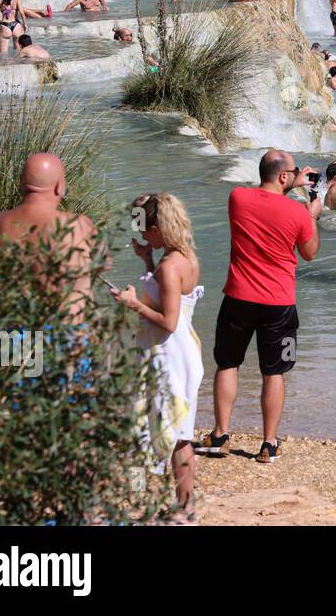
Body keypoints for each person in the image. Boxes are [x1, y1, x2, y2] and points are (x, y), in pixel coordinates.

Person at [200, 150, 322, 464]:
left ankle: (219, 435)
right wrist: (311, 215)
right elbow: (309, 253)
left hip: (238, 297)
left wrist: (289, 181)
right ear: (284, 177)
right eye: (293, 172)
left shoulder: (238, 198)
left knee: (228, 364)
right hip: (279, 304)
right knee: (274, 372)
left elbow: (267, 196)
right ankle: (268, 443)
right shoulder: (297, 213)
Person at [108, 192, 203, 517]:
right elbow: (168, 301)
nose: (141, 235)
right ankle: (184, 508)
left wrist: (132, 303)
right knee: (180, 433)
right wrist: (147, 260)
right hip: (183, 351)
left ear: (158, 227)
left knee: (173, 435)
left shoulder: (169, 266)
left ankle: (177, 509)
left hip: (169, 356)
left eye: (144, 230)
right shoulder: (185, 256)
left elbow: (168, 321)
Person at [0, 153, 98, 327]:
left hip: (18, 330)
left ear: (20, 184)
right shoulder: (79, 224)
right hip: (66, 331)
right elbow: (100, 267)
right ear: (59, 186)